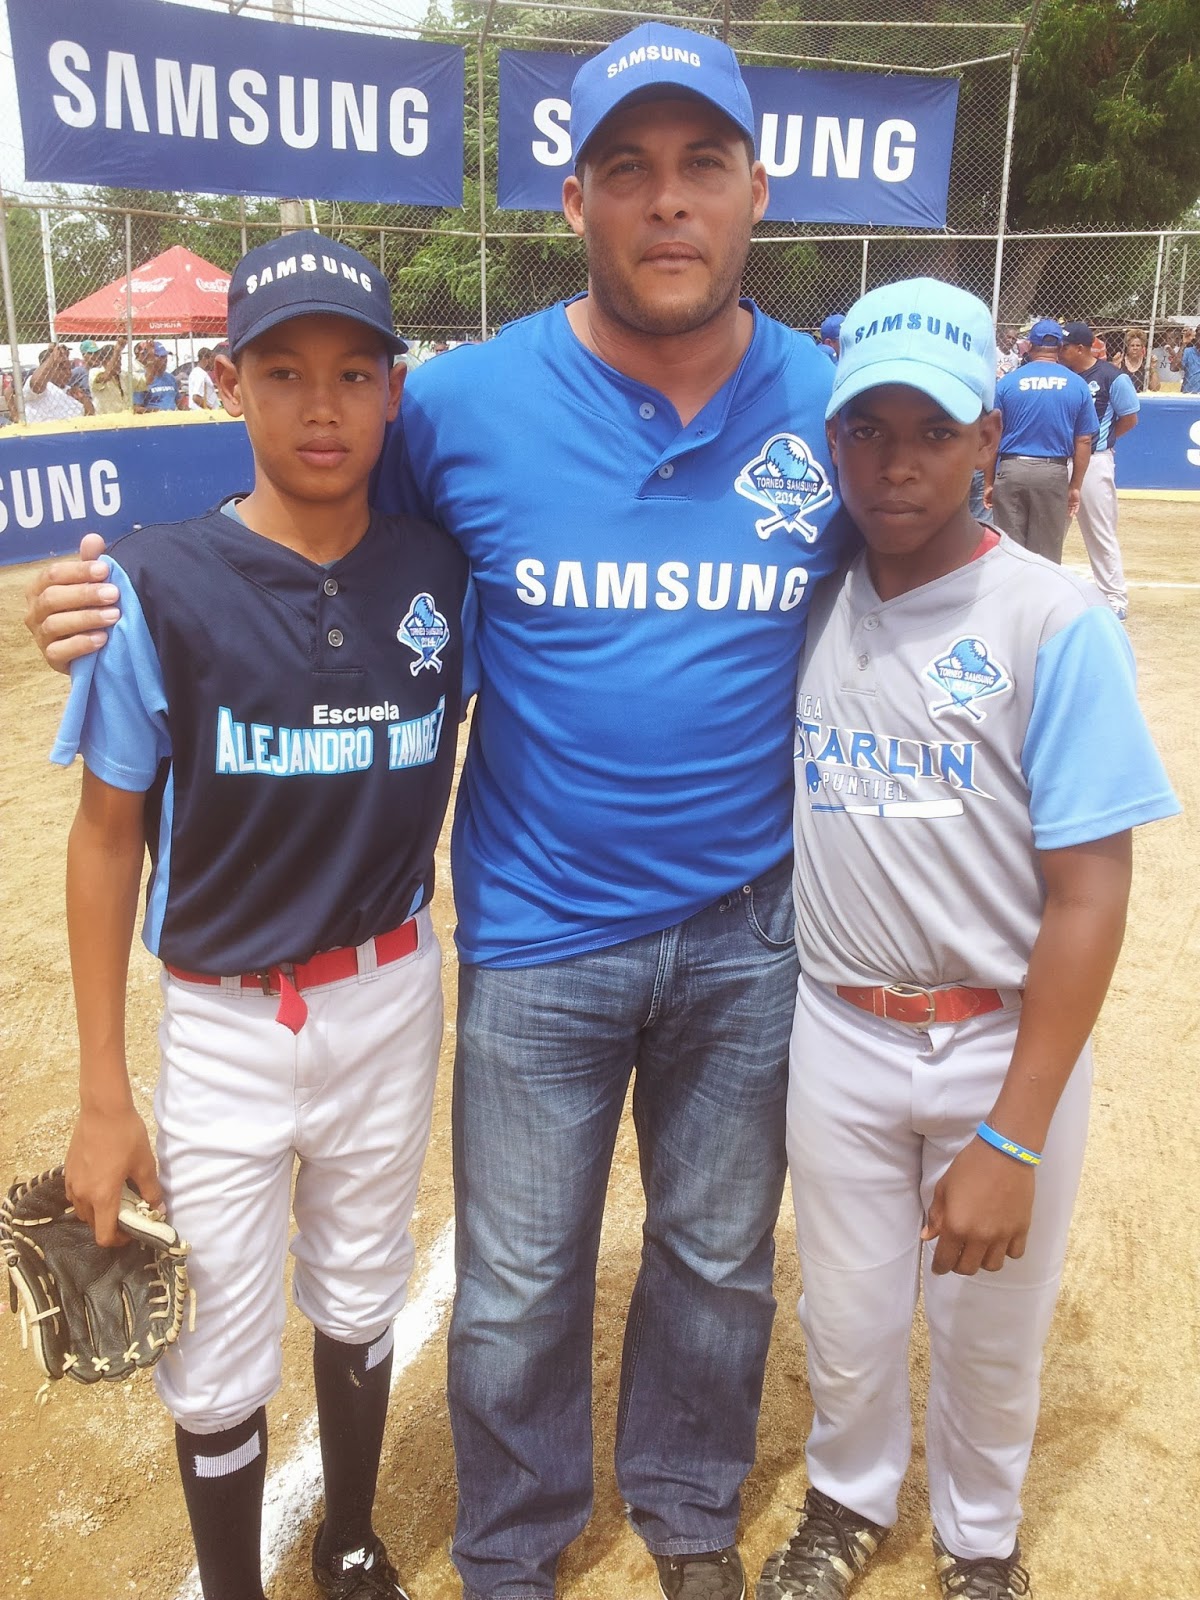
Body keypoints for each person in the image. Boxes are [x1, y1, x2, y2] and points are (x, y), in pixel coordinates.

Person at [26, 24, 852, 1600]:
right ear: (574, 203)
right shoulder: (456, 408)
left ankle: (687, 1516)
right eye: (629, 170)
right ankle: (517, 1545)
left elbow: (942, 558)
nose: (667, 204)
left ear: (758, 187)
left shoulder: (835, 402)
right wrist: (105, 589)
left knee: (716, 1258)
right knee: (521, 1278)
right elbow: (295, 520)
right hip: (538, 927)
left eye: (700, 167)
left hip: (755, 923)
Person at [50, 231, 468, 1600]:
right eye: (283, 371)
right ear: (229, 383)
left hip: (391, 987)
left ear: (394, 391)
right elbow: (107, 839)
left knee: (359, 1285)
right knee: (216, 1340)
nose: (322, 405)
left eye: (354, 372)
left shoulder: (437, 574)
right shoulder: (156, 587)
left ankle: (349, 1540)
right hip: (226, 1019)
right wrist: (105, 1092)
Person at [757, 277, 1178, 1600]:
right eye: (866, 430)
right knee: (851, 1310)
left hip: (995, 1041)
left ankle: (981, 1538)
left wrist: (1013, 1129)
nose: (895, 461)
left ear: (989, 439)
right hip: (840, 1028)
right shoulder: (811, 598)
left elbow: (1091, 894)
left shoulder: (1050, 625)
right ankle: (848, 1497)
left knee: (990, 1325)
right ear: (834, 445)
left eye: (931, 431)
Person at [983, 317, 1097, 563]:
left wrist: (989, 482)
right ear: (1059, 347)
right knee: (1046, 557)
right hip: (1052, 471)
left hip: (1012, 469)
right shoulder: (1077, 385)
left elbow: (993, 436)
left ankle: (1011, 601)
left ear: (1030, 346)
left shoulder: (1007, 382)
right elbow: (1084, 440)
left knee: (1009, 554)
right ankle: (1041, 602)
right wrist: (1075, 485)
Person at [1059, 321, 1139, 620]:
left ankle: (1114, 597)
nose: (1059, 351)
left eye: (1064, 346)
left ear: (1080, 348)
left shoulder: (1112, 378)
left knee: (1099, 530)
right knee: (1052, 530)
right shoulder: (1062, 376)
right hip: (1059, 460)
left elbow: (1129, 418)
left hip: (1094, 462)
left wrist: (1102, 440)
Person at [23, 344, 86, 422]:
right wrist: (53, 358)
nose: (69, 373)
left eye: (69, 369)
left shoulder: (71, 391)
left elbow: (90, 413)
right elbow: (37, 384)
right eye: (63, 369)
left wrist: (83, 399)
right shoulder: (44, 386)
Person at [89, 338, 135, 415]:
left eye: (120, 360)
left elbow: (146, 382)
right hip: (106, 421)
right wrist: (116, 352)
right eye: (116, 360)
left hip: (126, 419)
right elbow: (105, 377)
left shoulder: (124, 375)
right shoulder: (94, 372)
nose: (120, 363)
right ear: (104, 361)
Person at [134, 341, 179, 411]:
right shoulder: (143, 379)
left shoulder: (171, 378)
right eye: (161, 357)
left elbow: (179, 402)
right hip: (154, 418)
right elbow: (136, 408)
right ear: (151, 357)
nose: (165, 360)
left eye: (165, 356)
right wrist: (157, 411)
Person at [1115, 327, 1157, 392]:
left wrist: (1152, 368)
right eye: (1132, 345)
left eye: (1138, 345)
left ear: (1142, 347)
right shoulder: (1120, 361)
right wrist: (1114, 367)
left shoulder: (1146, 363)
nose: (1135, 348)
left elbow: (1155, 388)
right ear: (1127, 347)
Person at [1181, 326, 1200, 394]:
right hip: (1189, 394)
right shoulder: (1188, 351)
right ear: (1196, 336)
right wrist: (1184, 344)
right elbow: (1174, 368)